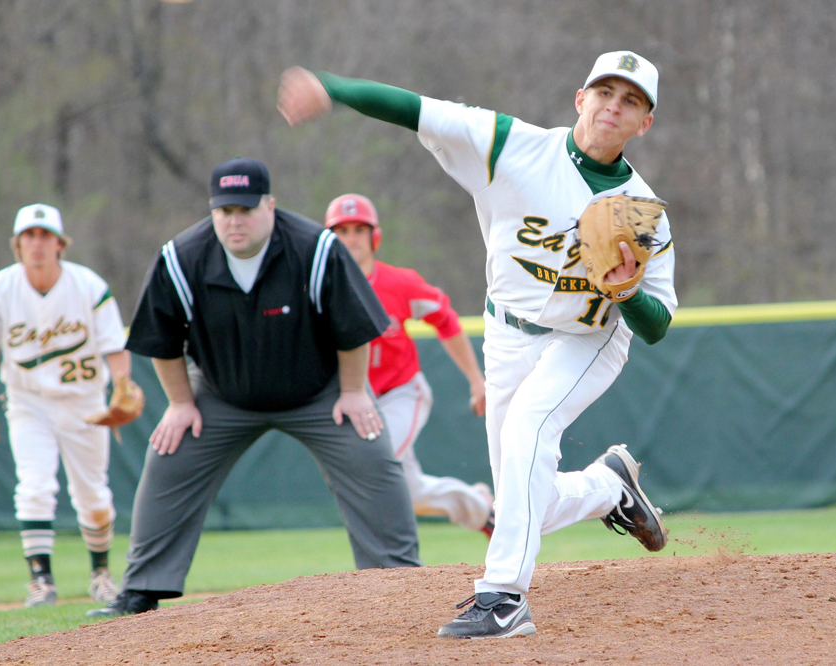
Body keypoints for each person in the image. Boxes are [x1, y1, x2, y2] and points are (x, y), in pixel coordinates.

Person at [278, 50, 676, 639]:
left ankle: (503, 598)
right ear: (580, 99)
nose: (613, 108)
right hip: (507, 333)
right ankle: (607, 487)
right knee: (525, 494)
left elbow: (657, 323)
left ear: (644, 123)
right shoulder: (510, 145)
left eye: (631, 102)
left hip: (589, 338)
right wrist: (331, 88)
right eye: (605, 93)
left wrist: (627, 293)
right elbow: (415, 110)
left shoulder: (641, 211)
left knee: (527, 430)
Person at [88, 157, 422, 618]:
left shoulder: (316, 248)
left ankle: (402, 584)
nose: (235, 220)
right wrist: (181, 403)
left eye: (245, 209)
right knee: (168, 454)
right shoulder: (181, 257)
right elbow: (161, 340)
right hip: (223, 393)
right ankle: (141, 589)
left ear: (270, 205)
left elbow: (353, 327)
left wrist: (353, 392)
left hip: (320, 391)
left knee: (373, 453)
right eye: (225, 211)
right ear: (212, 211)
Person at [0, 203, 130, 608]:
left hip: (85, 402)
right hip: (28, 402)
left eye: (45, 236)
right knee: (35, 487)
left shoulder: (88, 285)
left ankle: (101, 574)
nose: (37, 243)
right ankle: (41, 580)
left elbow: (114, 346)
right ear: (17, 245)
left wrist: (122, 387)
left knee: (93, 495)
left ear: (60, 244)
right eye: (29, 236)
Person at [324, 193, 495, 537]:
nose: (352, 237)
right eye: (342, 231)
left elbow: (445, 320)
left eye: (359, 229)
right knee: (412, 492)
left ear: (375, 236)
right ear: (329, 240)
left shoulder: (399, 284)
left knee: (376, 457)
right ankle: (479, 507)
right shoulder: (319, 287)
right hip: (357, 399)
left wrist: (477, 380)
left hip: (402, 392)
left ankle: (386, 556)